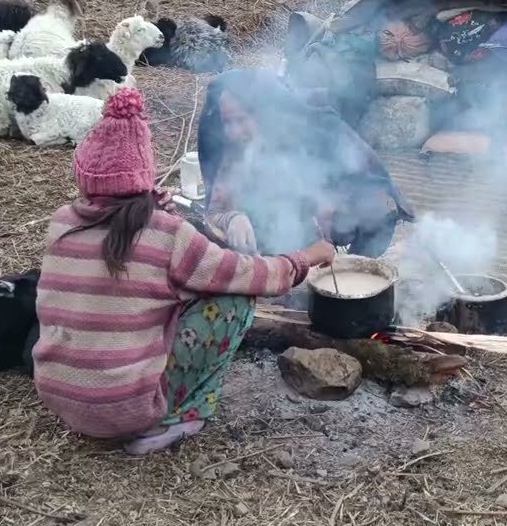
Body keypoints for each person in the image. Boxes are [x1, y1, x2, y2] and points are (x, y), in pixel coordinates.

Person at [32, 87, 335, 456]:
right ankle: (175, 419)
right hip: (125, 409)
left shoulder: (61, 223)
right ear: (145, 173)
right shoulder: (165, 234)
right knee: (235, 302)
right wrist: (306, 257)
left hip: (59, 397)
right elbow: (252, 276)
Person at [196, 68, 414, 258]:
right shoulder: (231, 150)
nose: (233, 132)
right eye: (227, 122)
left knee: (375, 210)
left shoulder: (316, 127)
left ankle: (354, 270)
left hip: (323, 217)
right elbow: (213, 213)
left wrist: (332, 198)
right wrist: (232, 218)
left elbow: (373, 185)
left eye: (241, 120)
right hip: (273, 229)